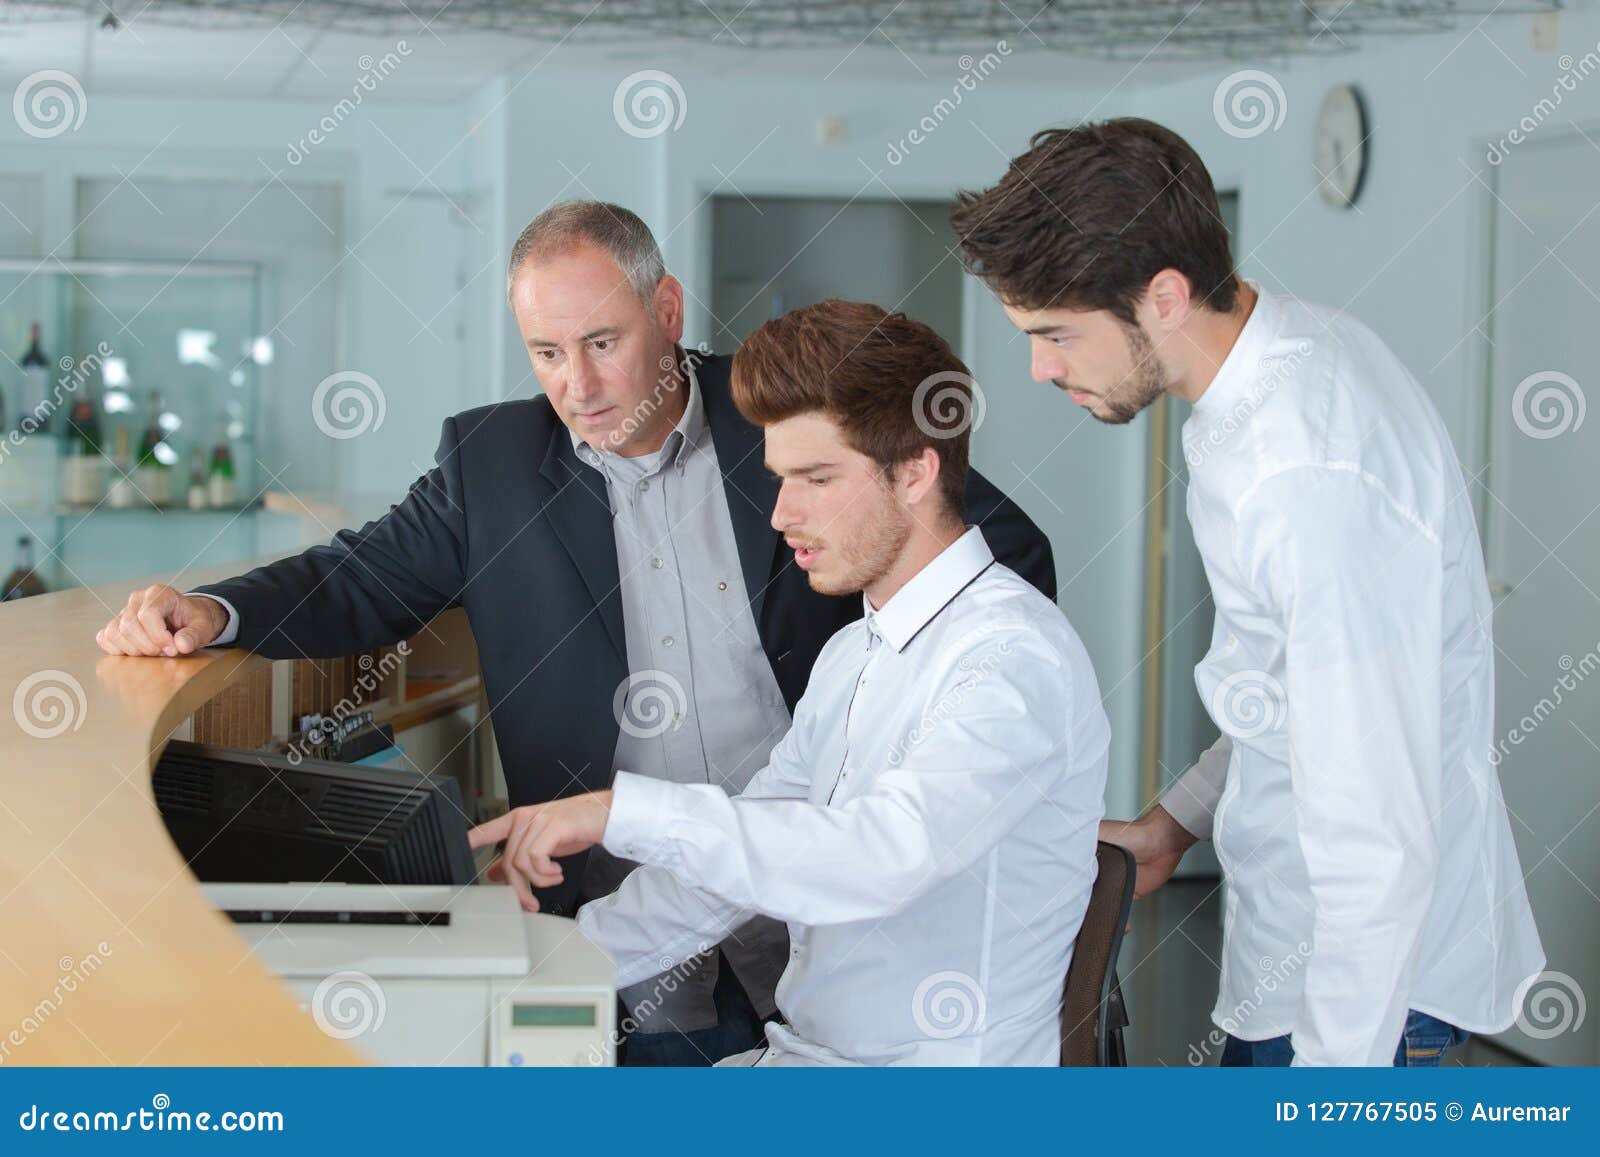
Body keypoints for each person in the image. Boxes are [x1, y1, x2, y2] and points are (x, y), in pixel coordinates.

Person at [93, 201, 1057, 1066]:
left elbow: (979, 542)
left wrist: (981, 747)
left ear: (669, 312)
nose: (579, 384)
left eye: (602, 342)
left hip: (823, 919)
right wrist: (217, 612)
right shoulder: (496, 464)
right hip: (633, 903)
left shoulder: (784, 420)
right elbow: (367, 573)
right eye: (547, 352)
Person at [950, 117, 1544, 1066]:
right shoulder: (1283, 360)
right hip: (1292, 956)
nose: (1041, 367)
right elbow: (1290, 682)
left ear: (1166, 296)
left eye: (1056, 333)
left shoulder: (1303, 470)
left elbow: (1377, 831)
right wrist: (1176, 820)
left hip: (1360, 999)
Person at [468, 299, 1110, 1066]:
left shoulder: (1009, 655)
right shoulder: (852, 657)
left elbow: (882, 855)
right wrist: (532, 968)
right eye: (780, 478)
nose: (781, 514)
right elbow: (724, 881)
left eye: (816, 477)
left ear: (915, 471)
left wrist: (620, 811)